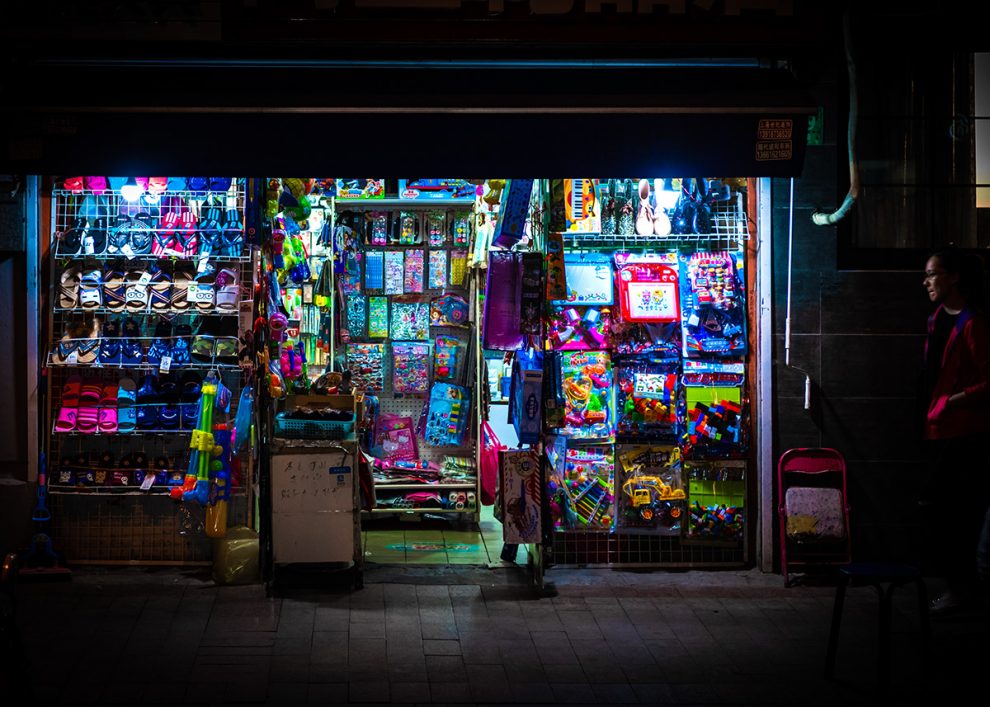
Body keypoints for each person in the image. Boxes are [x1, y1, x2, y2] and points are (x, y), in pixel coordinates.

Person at [921, 246, 990, 614]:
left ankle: (963, 592)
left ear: (954, 277)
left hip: (966, 434)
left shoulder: (973, 323)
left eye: (933, 274)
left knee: (954, 515)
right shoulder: (936, 320)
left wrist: (956, 399)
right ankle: (959, 589)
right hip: (939, 429)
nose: (926, 281)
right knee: (942, 512)